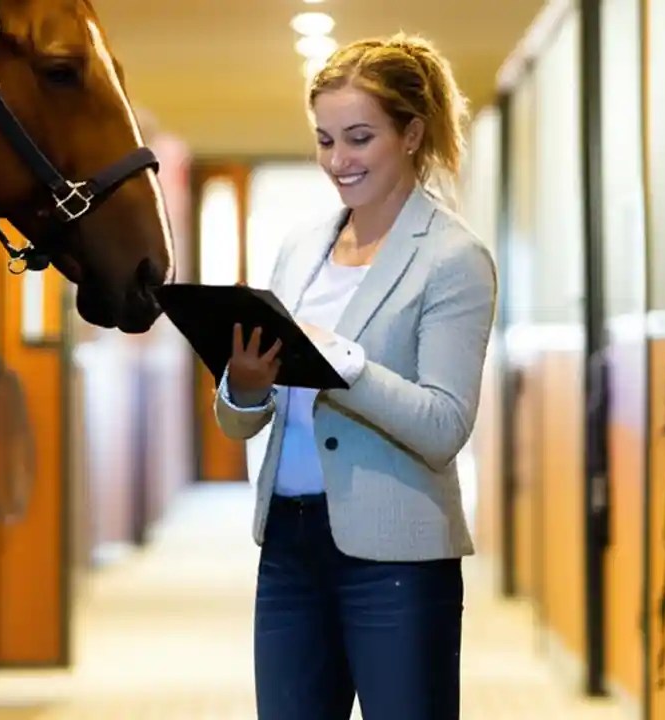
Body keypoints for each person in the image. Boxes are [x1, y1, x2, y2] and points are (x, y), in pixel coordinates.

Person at [212, 32, 497, 720]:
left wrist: (343, 362)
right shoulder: (299, 248)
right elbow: (247, 416)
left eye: (359, 137)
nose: (338, 161)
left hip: (397, 557)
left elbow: (443, 427)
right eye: (325, 140)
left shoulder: (453, 258)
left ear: (411, 133)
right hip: (288, 544)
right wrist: (245, 384)